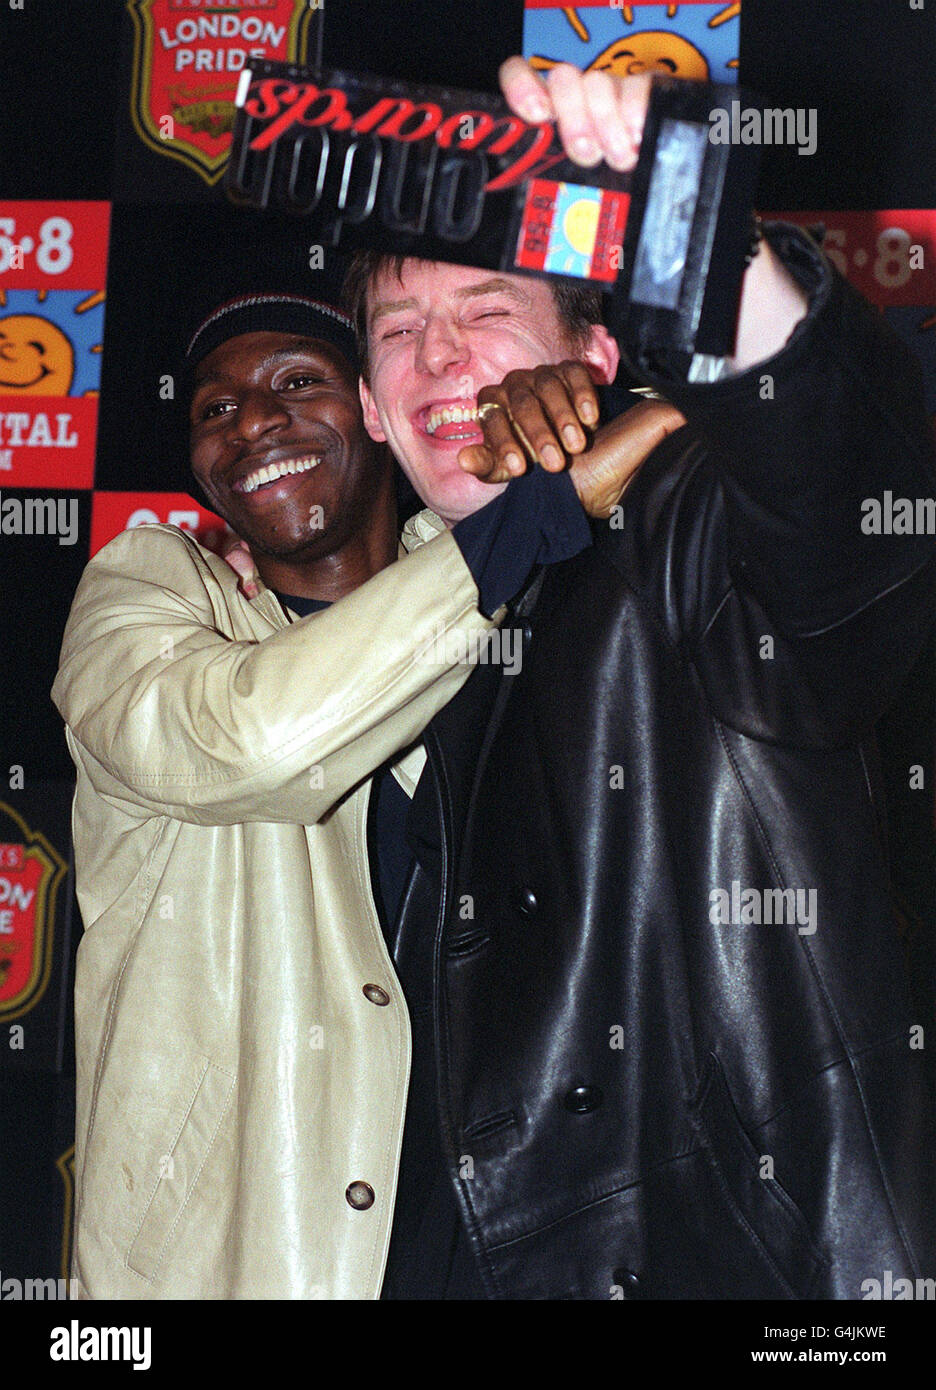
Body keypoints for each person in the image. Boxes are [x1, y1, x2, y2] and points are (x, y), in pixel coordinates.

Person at [331, 60, 935, 1298]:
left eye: (487, 307)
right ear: (374, 412)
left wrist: (706, 263)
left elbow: (846, 529)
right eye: (399, 331)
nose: (441, 355)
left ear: (593, 350)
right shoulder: (351, 646)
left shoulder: (673, 525)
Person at [51, 287, 663, 1298]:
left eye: (297, 382)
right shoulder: (149, 588)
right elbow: (251, 737)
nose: (250, 420)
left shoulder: (522, 592)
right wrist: (537, 513)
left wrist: (587, 412)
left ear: (379, 414)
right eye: (214, 410)